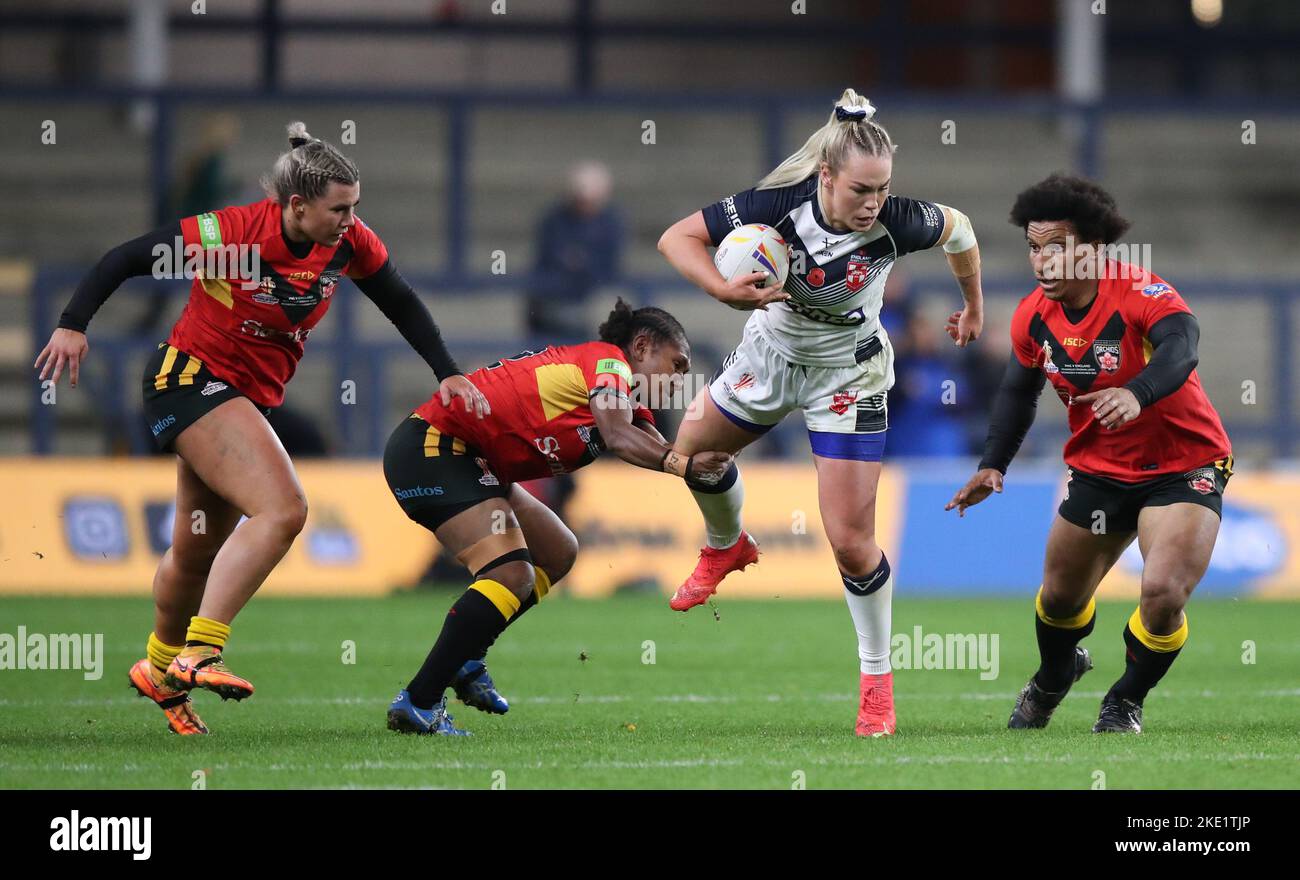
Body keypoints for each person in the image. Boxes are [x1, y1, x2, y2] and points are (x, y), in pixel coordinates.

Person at [34, 122, 486, 735]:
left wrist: (446, 372)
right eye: (340, 210)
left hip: (242, 396)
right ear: (296, 206)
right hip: (187, 379)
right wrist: (72, 323)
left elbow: (400, 300)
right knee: (284, 509)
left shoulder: (349, 244)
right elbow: (126, 258)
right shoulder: (233, 233)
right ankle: (202, 652)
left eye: (356, 208)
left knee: (195, 551)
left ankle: (162, 667)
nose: (352, 221)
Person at [656, 89, 985, 737]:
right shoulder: (777, 206)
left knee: (852, 544)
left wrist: (973, 305)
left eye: (883, 189)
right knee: (691, 457)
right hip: (771, 353)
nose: (873, 203)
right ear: (826, 177)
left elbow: (963, 231)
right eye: (861, 189)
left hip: (850, 372)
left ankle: (876, 686)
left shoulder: (901, 220)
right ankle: (728, 546)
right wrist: (722, 288)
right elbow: (678, 237)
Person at [947, 173, 1233, 734]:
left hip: (1184, 465)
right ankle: (1055, 676)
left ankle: (1125, 698)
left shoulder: (1142, 293)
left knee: (1162, 592)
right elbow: (1017, 392)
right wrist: (992, 465)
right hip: (1100, 471)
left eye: (1057, 247)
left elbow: (1182, 348)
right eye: (1034, 247)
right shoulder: (1033, 315)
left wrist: (1137, 392)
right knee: (1058, 598)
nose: (1042, 261)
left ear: (1093, 248)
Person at [382, 299, 732, 735]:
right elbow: (620, 439)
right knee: (511, 574)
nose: (679, 380)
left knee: (557, 552)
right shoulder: (609, 363)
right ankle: (420, 701)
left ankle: (466, 656)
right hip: (435, 446)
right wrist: (686, 466)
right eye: (676, 365)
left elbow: (665, 451)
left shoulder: (627, 400)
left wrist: (717, 473)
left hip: (479, 463)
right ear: (641, 346)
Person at [524, 161, 626, 343]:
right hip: (551, 302)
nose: (584, 206)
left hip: (588, 301)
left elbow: (607, 268)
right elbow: (550, 259)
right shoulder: (554, 220)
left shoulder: (611, 224)